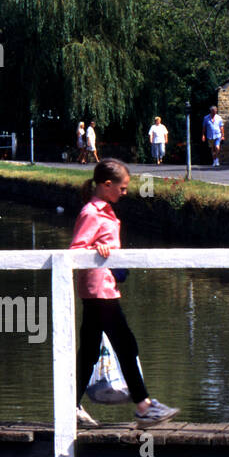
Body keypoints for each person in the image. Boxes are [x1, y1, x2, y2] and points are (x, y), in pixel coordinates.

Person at [71, 159, 179, 429]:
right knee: (125, 344)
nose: (125, 192)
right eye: (122, 187)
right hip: (99, 290)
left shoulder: (105, 211)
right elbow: (74, 252)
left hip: (105, 288)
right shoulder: (92, 213)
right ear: (107, 185)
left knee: (90, 352)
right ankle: (144, 407)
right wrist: (95, 252)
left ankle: (70, 404)